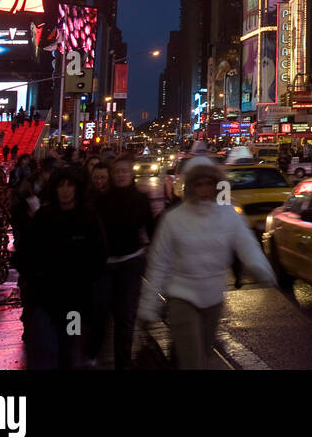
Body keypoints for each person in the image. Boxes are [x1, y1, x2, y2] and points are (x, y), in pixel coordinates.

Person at [137, 157, 274, 369]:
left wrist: (261, 268)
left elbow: (246, 244)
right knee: (194, 361)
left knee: (201, 354)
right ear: (190, 186)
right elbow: (159, 264)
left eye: (208, 183)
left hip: (213, 301)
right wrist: (148, 306)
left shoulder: (227, 214)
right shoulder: (174, 219)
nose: (204, 189)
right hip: (182, 298)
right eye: (198, 184)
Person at [20, 166, 107, 369]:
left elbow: (99, 257)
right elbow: (25, 252)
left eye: (70, 185)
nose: (66, 190)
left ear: (77, 188)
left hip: (75, 305)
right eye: (61, 185)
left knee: (71, 351)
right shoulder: (43, 218)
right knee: (44, 353)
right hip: (45, 302)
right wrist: (37, 279)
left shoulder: (89, 218)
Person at [92, 155, 155, 370]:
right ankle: (91, 354)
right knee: (100, 313)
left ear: (131, 174)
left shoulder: (140, 199)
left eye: (124, 171)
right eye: (117, 171)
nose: (120, 175)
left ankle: (123, 363)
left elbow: (151, 229)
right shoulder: (101, 201)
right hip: (105, 266)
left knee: (125, 318)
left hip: (130, 263)